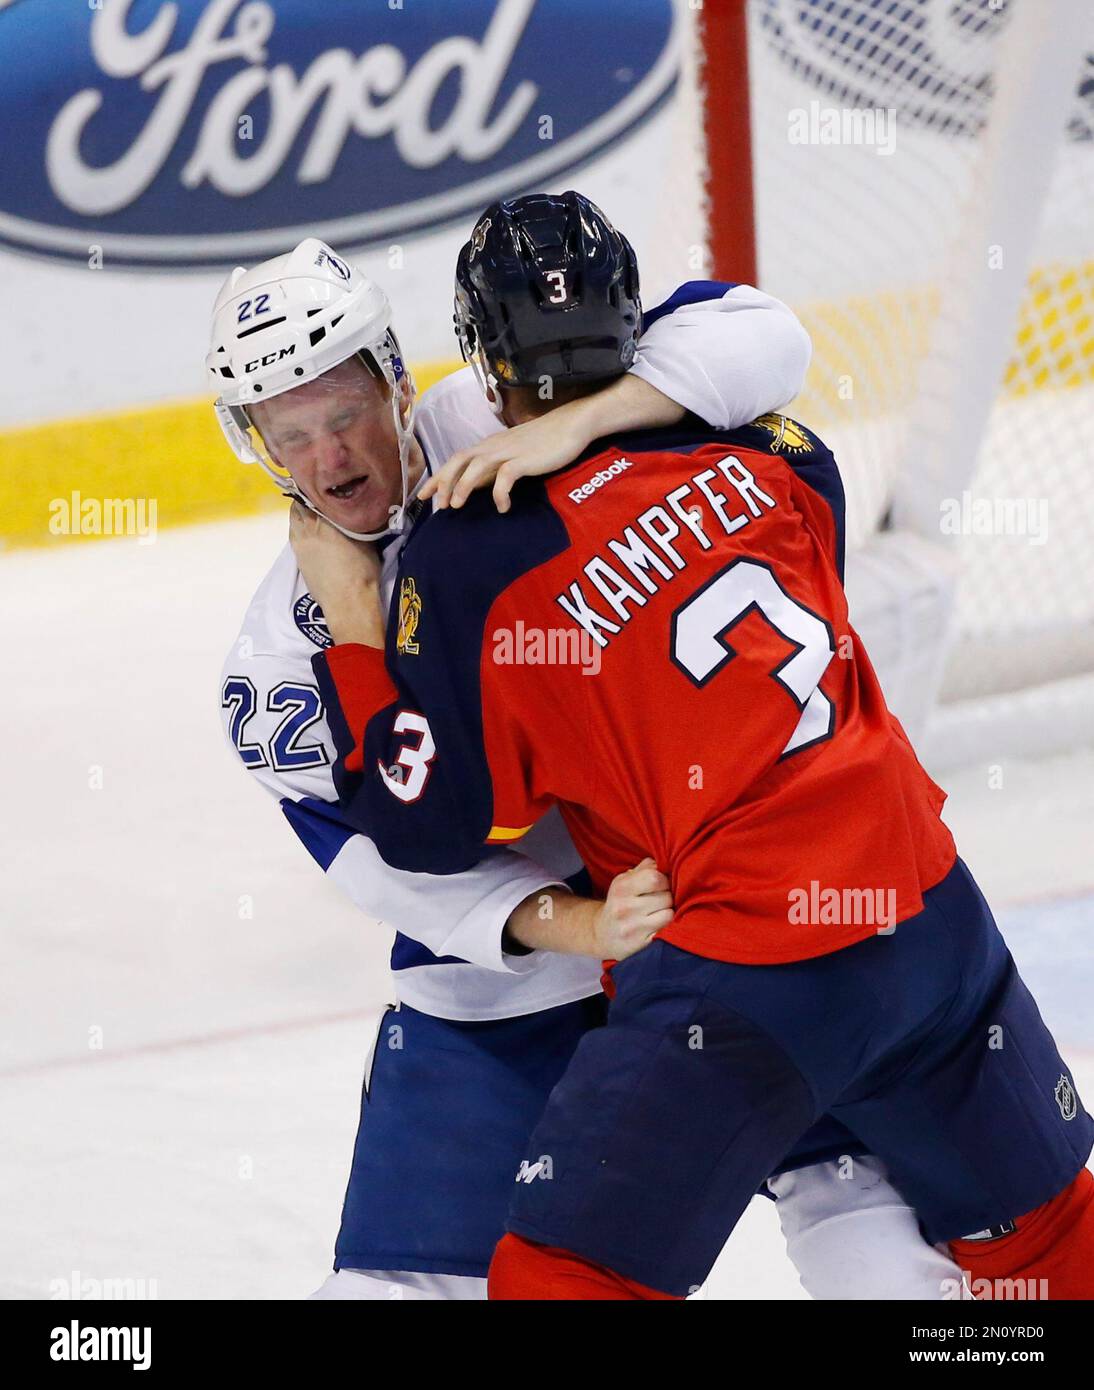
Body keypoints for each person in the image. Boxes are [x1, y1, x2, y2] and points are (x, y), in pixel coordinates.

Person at [295, 197, 1094, 1300]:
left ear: (482, 369)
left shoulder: (471, 553)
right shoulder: (784, 454)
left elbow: (425, 823)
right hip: (929, 920)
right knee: (1045, 1253)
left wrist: (350, 628)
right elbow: (753, 341)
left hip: (748, 973)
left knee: (555, 1281)